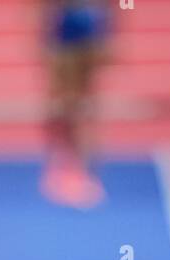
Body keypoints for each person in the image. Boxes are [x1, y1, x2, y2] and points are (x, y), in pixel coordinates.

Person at [39, 1, 115, 208]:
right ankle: (61, 166)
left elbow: (110, 7)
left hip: (87, 43)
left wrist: (109, 35)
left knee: (84, 110)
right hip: (64, 44)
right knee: (63, 108)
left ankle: (85, 171)